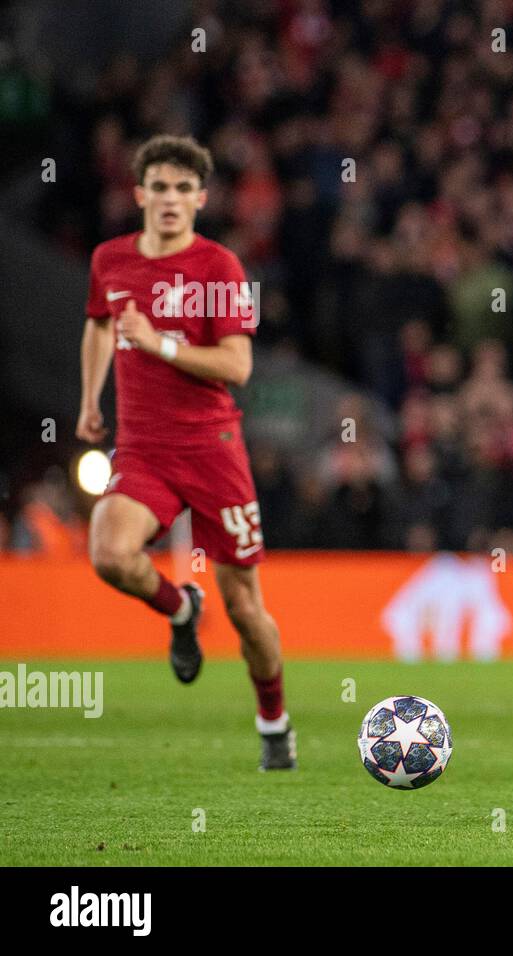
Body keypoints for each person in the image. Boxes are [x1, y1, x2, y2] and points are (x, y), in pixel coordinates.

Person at [78, 134, 295, 771]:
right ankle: (179, 608)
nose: (170, 199)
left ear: (200, 198)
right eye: (159, 186)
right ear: (139, 193)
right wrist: (90, 399)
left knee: (246, 609)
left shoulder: (220, 268)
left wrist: (158, 344)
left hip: (213, 450)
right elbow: (97, 323)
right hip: (143, 448)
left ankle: (274, 721)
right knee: (110, 556)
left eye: (183, 189)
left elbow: (238, 364)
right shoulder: (110, 260)